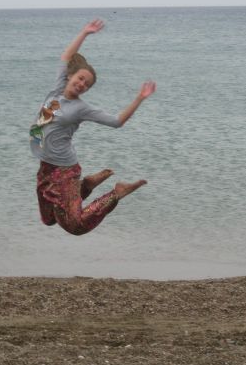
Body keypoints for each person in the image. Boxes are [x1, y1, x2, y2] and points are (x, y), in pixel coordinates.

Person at [29, 19, 156, 235]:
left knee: (76, 226)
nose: (81, 84)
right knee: (49, 219)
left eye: (86, 84)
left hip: (64, 169)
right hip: (46, 166)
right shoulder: (57, 90)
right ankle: (85, 186)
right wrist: (85, 32)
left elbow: (117, 121)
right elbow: (66, 56)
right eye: (80, 78)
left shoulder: (81, 108)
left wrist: (140, 98)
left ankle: (117, 192)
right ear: (70, 76)